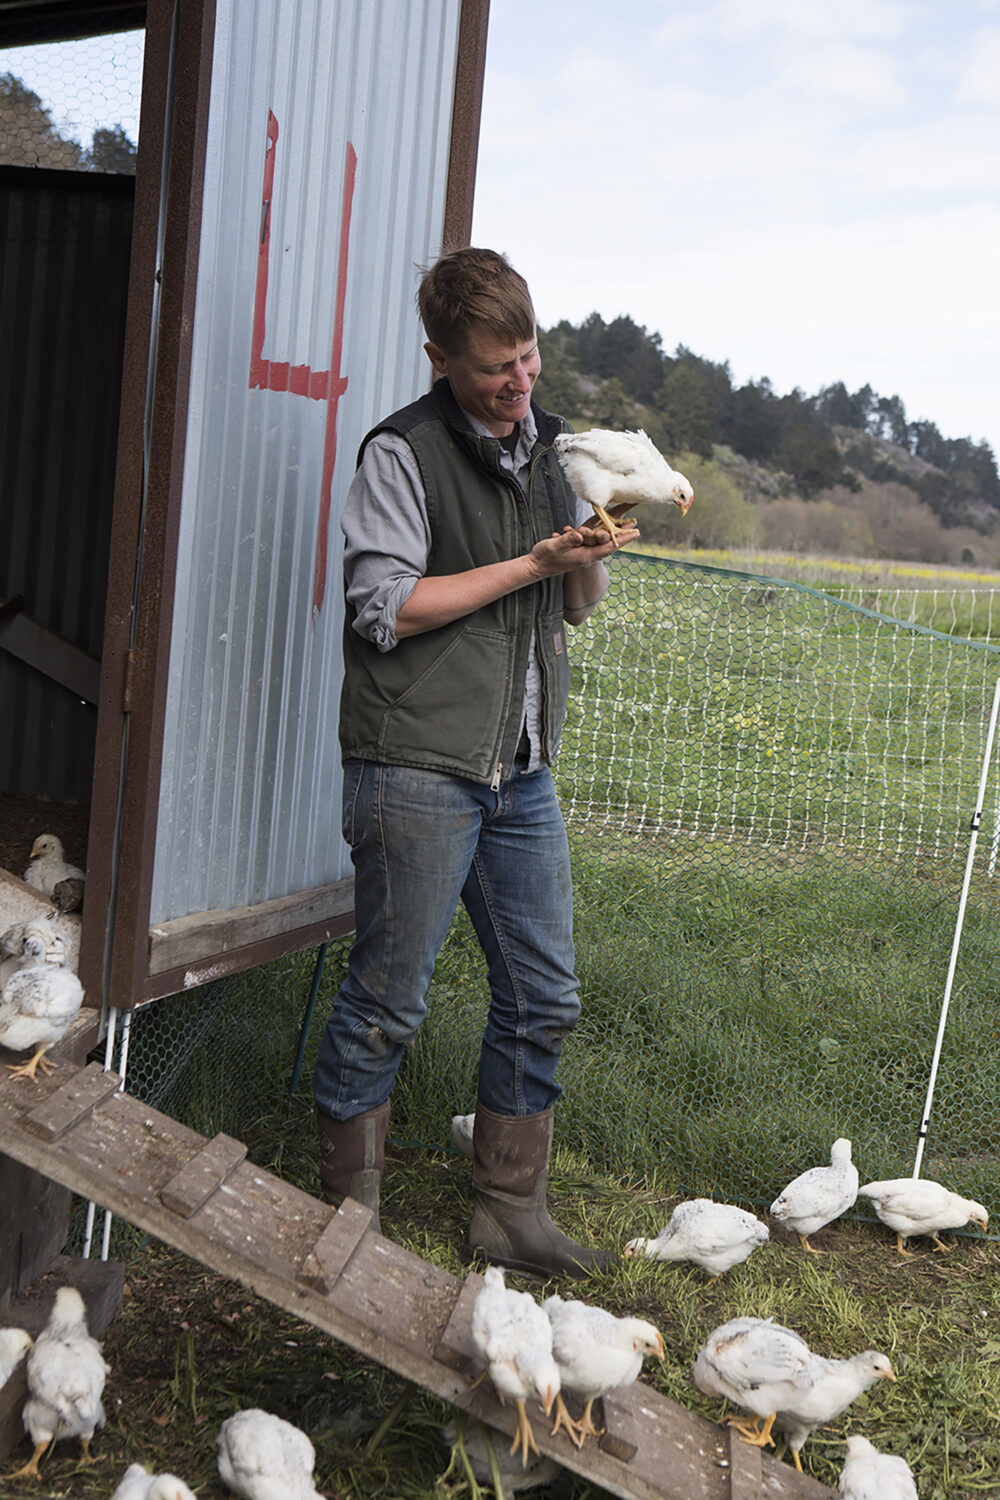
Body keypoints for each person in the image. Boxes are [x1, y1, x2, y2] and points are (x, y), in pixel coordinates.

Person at [313, 247, 637, 1276]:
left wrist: (582, 561)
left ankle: (507, 1211)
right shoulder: (400, 455)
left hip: (521, 767)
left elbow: (568, 608)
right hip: (415, 760)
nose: (518, 383)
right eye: (495, 366)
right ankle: (346, 1215)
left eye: (529, 358)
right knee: (388, 999)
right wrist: (531, 562)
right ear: (440, 358)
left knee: (544, 996)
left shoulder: (551, 452)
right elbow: (387, 608)